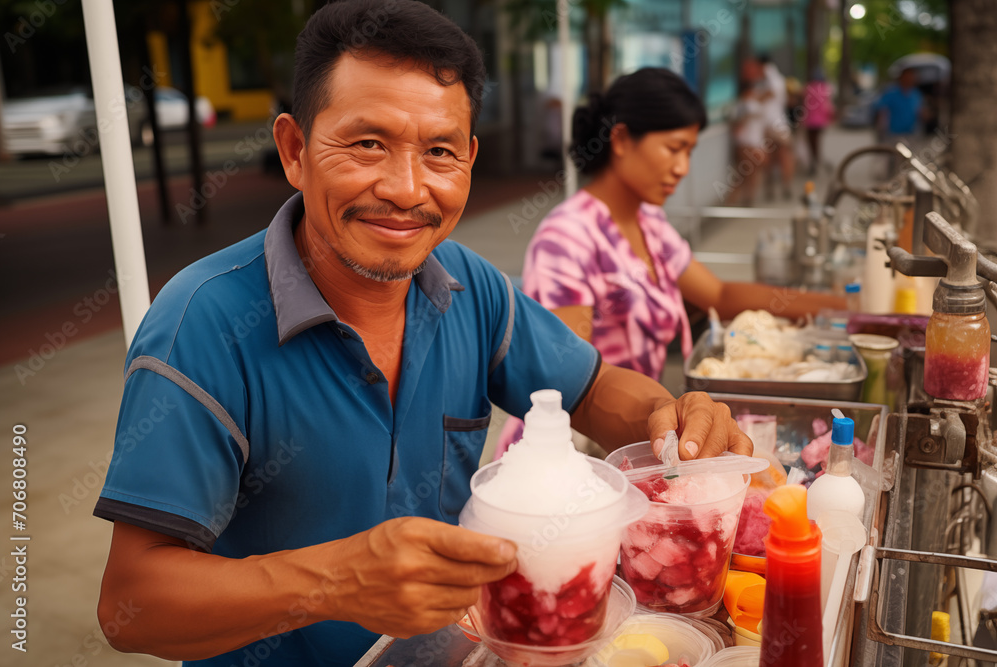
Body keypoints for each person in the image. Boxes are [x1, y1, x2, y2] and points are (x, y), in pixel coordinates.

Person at [93, 3, 752, 667]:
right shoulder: (202, 324)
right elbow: (133, 603)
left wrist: (670, 422)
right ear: (295, 151)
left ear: (467, 157)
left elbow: (590, 387)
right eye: (367, 144)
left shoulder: (468, 286)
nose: (407, 190)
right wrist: (335, 579)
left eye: (438, 152)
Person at [495, 68, 846, 457]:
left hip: (636, 435)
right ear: (622, 139)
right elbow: (564, 383)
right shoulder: (567, 237)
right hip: (571, 455)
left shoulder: (649, 223)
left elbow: (719, 293)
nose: (682, 168)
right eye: (673, 148)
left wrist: (837, 306)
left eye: (689, 152)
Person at [758, 55, 795, 200]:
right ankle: (784, 187)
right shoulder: (777, 78)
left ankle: (773, 189)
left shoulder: (768, 75)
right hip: (779, 124)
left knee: (773, 159)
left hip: (772, 126)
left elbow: (769, 94)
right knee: (782, 157)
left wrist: (751, 98)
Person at [727, 79, 767, 206]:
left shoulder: (743, 105)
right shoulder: (748, 105)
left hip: (747, 144)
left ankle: (742, 199)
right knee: (749, 173)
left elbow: (736, 126)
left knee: (744, 174)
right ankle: (746, 198)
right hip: (751, 144)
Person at [802, 68, 835, 175]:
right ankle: (818, 162)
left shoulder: (808, 88)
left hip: (810, 120)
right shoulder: (825, 88)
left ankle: (815, 163)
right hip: (821, 121)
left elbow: (803, 104)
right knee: (817, 142)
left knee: (812, 143)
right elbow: (828, 106)